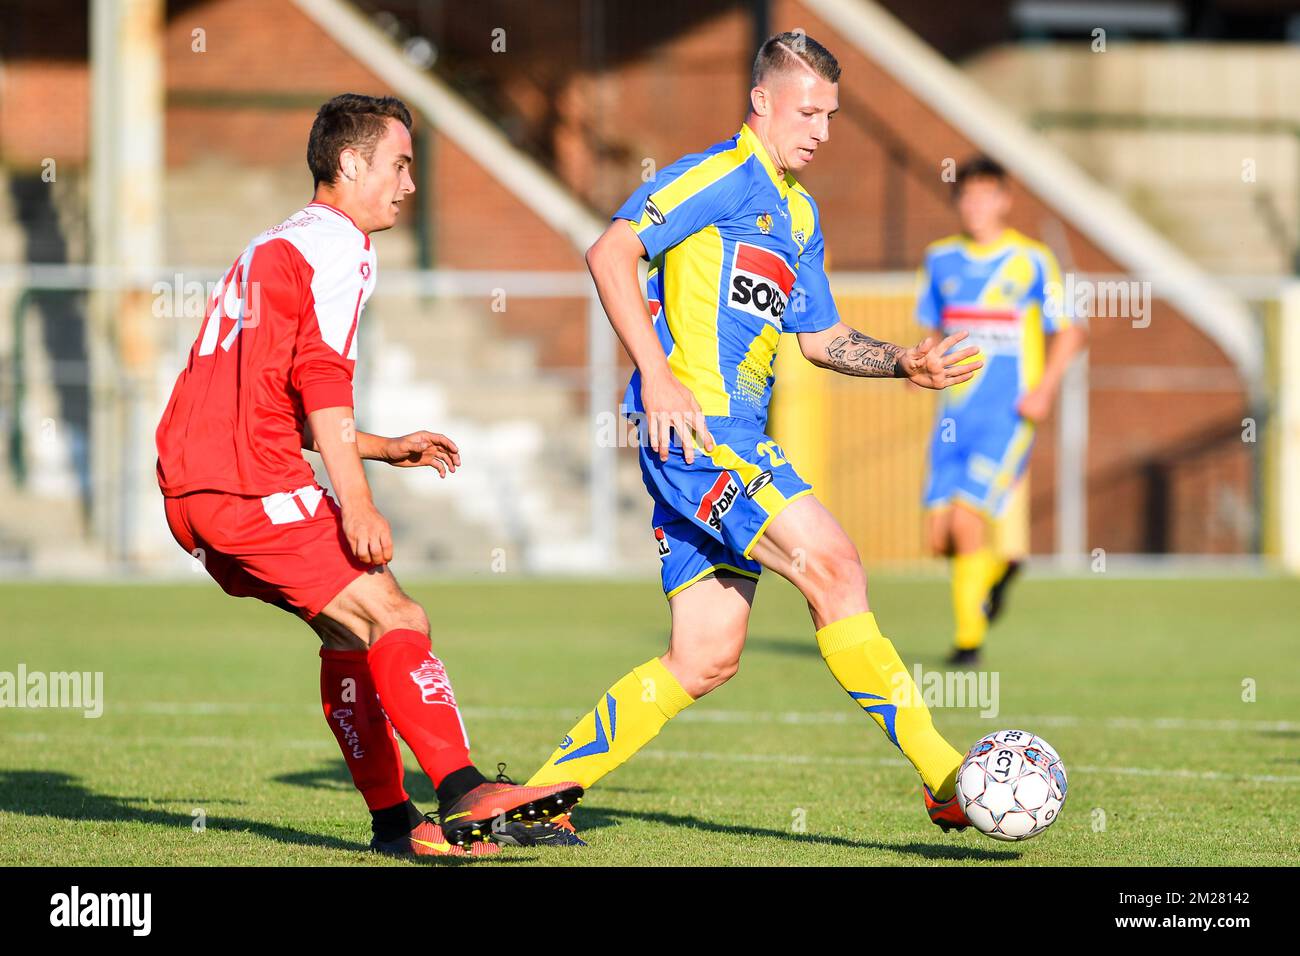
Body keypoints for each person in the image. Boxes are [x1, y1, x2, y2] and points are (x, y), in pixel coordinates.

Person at [518, 33, 983, 845]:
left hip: (722, 439)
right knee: (837, 570)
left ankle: (530, 799)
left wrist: (904, 360)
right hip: (701, 432)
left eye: (832, 115)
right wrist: (656, 373)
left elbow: (821, 336)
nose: (823, 130)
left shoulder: (798, 213)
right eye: (809, 111)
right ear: (762, 100)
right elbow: (610, 251)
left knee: (704, 655)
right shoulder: (716, 177)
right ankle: (949, 778)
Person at [155, 93, 581, 857]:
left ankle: (396, 826)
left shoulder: (274, 244)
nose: (408, 184)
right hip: (249, 484)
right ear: (350, 164)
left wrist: (380, 448)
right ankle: (464, 791)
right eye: (399, 164)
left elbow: (265, 391)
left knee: (349, 636)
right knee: (397, 617)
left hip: (194, 492)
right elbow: (320, 378)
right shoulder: (340, 245)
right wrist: (358, 500)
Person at [917, 156, 1087, 665]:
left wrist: (1045, 390)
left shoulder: (1031, 260)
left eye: (986, 195)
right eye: (967, 196)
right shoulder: (939, 260)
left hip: (1006, 416)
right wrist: (918, 366)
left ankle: (968, 641)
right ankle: (998, 574)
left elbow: (1071, 330)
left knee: (967, 522)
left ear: (1004, 200)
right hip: (952, 419)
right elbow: (932, 330)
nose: (975, 205)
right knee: (937, 540)